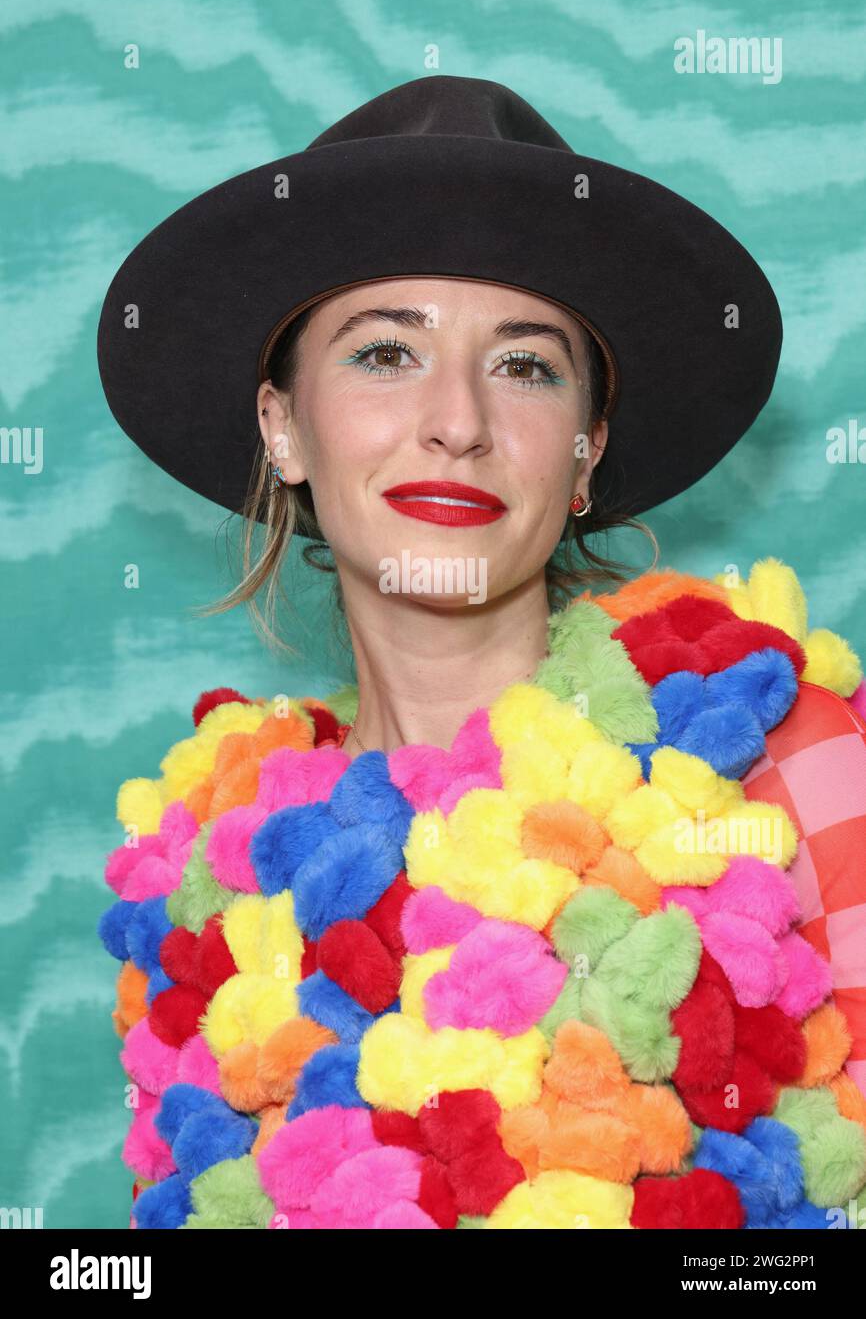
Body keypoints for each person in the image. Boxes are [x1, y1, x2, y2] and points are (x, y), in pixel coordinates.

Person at [96, 76, 866, 1230]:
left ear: (585, 450)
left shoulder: (784, 746)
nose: (456, 420)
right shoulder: (205, 879)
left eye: (524, 365)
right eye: (382, 353)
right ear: (282, 425)